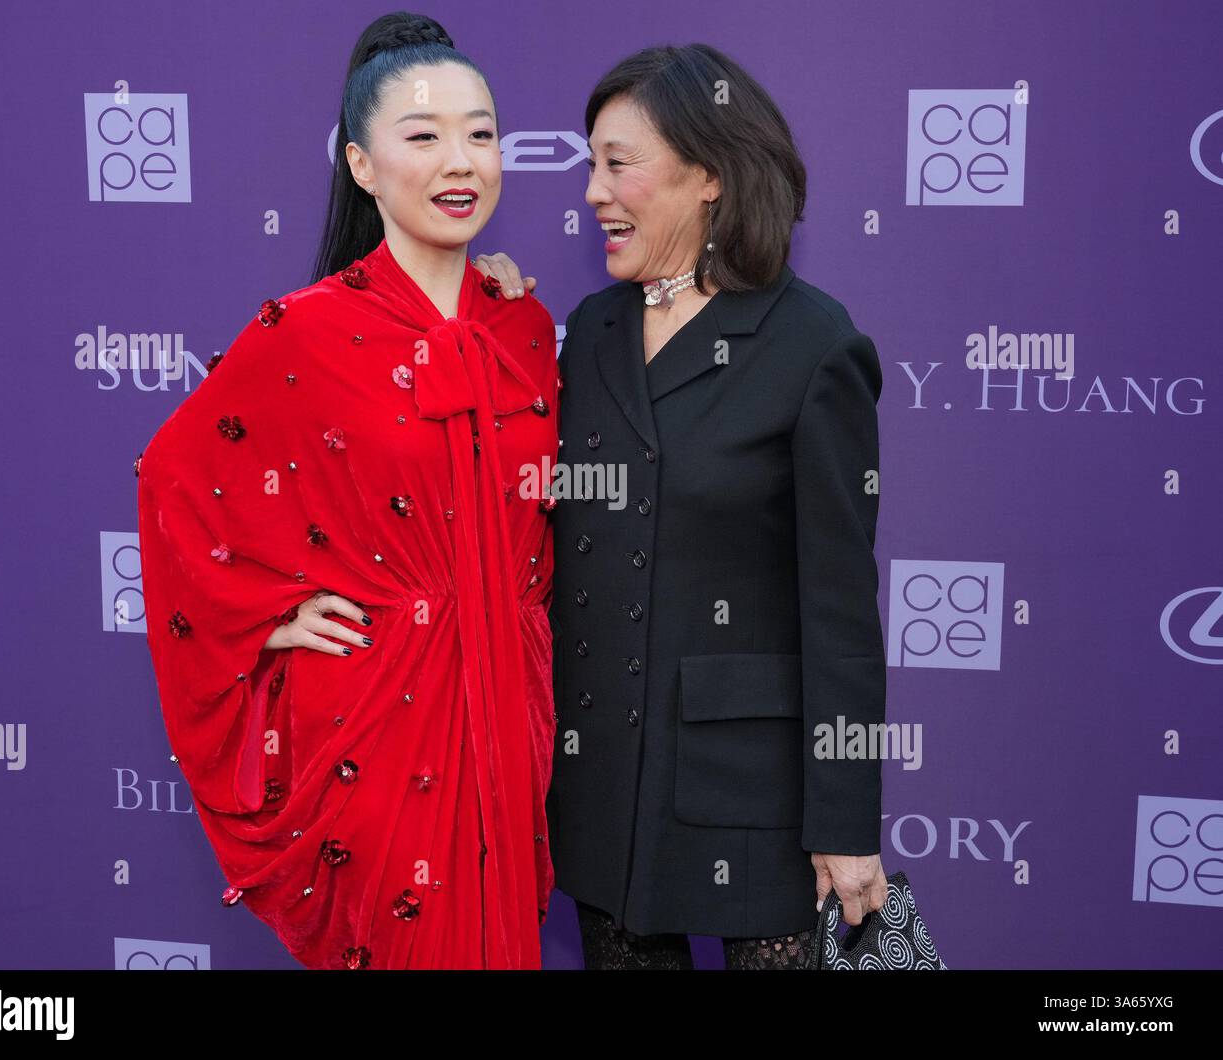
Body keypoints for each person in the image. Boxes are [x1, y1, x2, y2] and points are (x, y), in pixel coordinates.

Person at [136, 13, 559, 970]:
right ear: (363, 166)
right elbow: (175, 481)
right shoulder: (308, 331)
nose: (461, 161)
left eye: (482, 134)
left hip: (510, 716)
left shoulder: (526, 323)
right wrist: (265, 617)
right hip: (378, 724)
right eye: (424, 136)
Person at [475, 43, 889, 970]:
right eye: (590, 164)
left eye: (618, 163)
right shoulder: (589, 330)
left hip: (754, 800)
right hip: (602, 788)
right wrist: (486, 317)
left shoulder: (813, 343)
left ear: (708, 174)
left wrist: (846, 822)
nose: (592, 191)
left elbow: (841, 614)